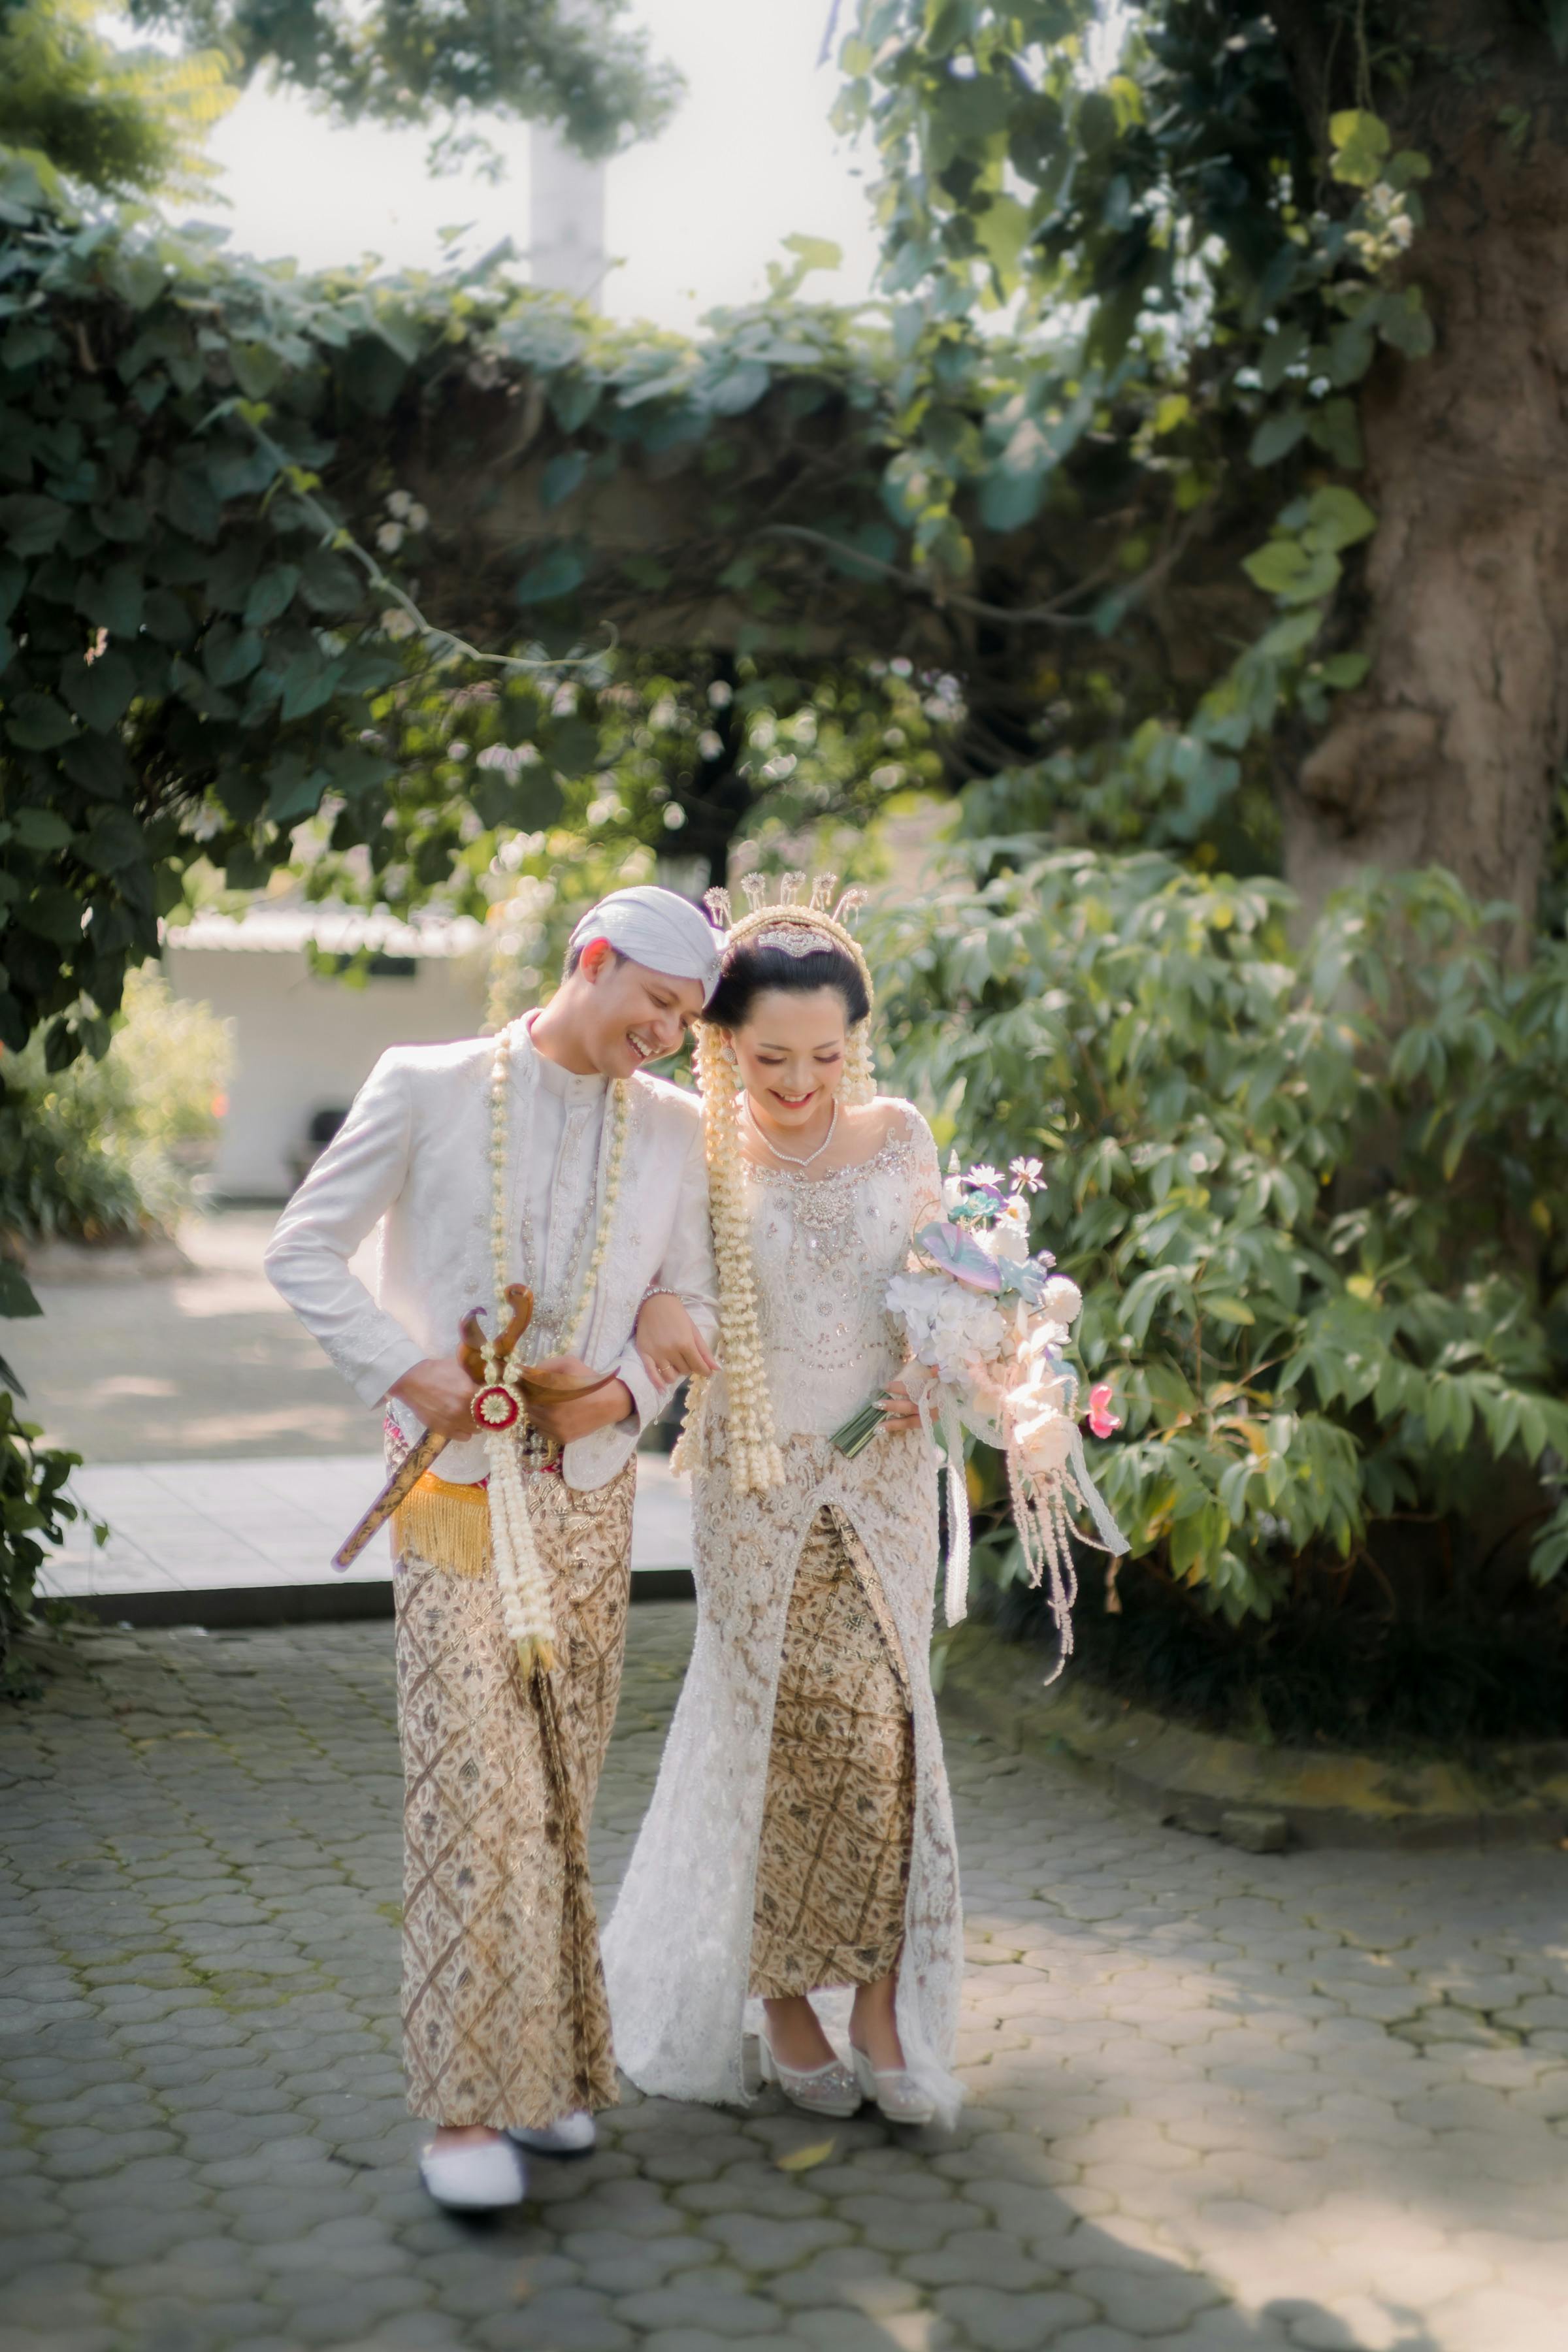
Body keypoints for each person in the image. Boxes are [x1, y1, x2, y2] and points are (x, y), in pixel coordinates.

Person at [265, 886, 721, 2212]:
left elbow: (679, 1304)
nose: (668, 1035)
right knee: (474, 1796)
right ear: (591, 960)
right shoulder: (429, 1081)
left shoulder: (681, 1129)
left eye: (687, 1021)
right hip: (455, 1489)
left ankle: (551, 2080)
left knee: (562, 1791)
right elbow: (302, 1252)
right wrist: (413, 1375)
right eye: (655, 1005)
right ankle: (463, 2109)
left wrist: (622, 1394)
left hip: (591, 1493)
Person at [602, 880, 964, 2129]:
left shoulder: (903, 1135)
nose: (799, 1081)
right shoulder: (686, 1153)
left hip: (884, 1478)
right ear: (721, 1043)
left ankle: (877, 2004)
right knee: (778, 1738)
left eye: (825, 1054)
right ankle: (787, 2009)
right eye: (769, 1057)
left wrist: (944, 1362)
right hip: (753, 1486)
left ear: (855, 1043)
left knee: (878, 1733)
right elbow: (648, 1288)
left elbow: (950, 1285)